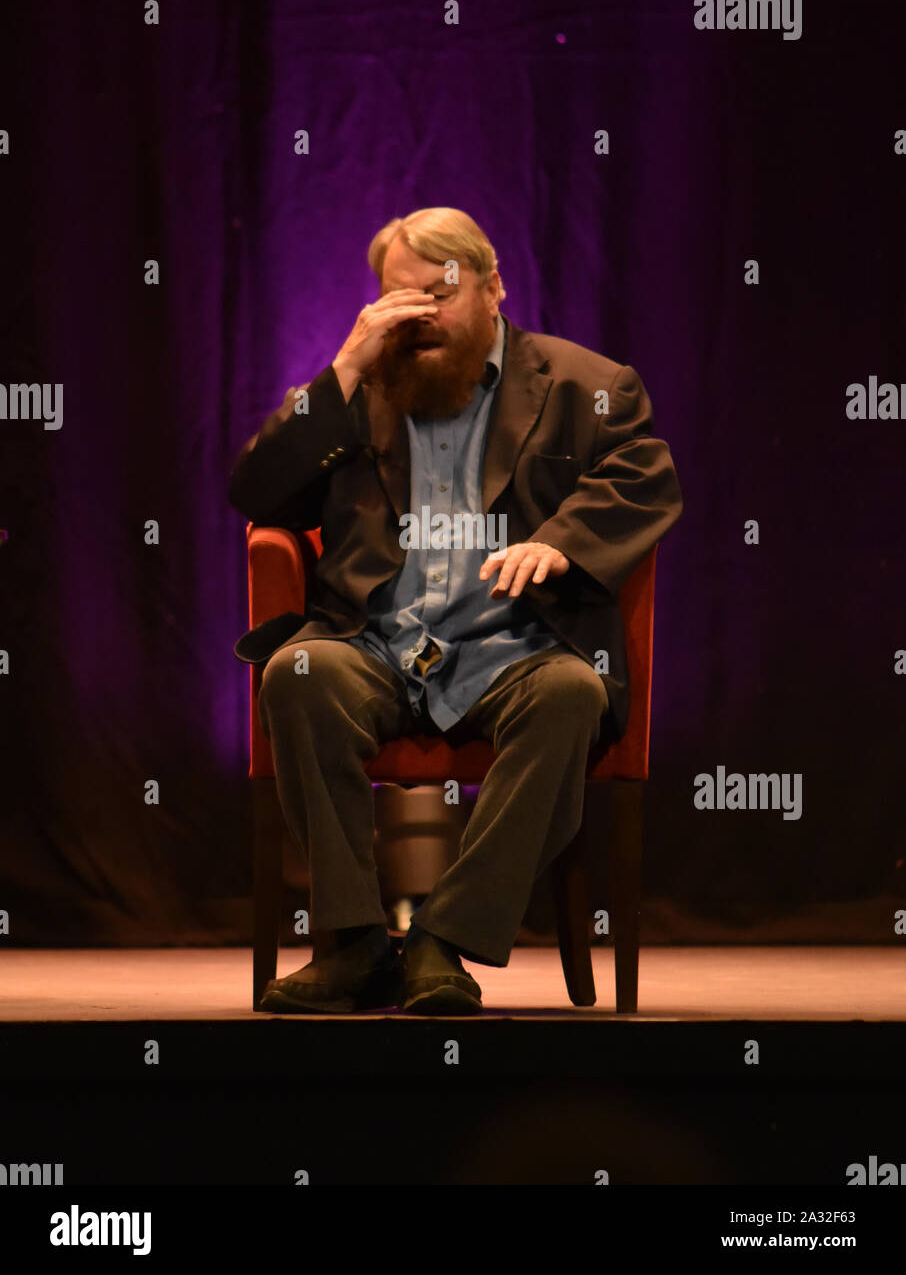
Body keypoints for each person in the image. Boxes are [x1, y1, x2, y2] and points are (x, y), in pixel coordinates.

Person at [229, 206, 682, 1015]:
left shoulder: (588, 385)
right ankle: (358, 942)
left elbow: (644, 474)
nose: (421, 315)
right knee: (298, 673)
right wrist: (341, 367)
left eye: (440, 292)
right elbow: (257, 491)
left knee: (572, 694)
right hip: (375, 643)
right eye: (399, 300)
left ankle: (444, 938)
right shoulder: (360, 392)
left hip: (517, 645)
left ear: (494, 285)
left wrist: (565, 540)